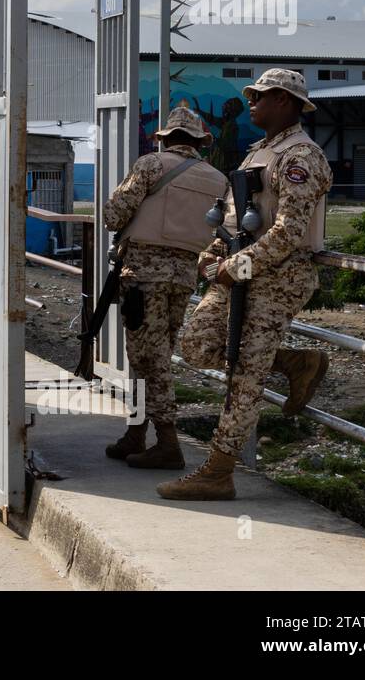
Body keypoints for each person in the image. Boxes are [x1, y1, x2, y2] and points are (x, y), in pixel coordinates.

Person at [158, 69, 332, 501]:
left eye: (262, 96)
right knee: (198, 344)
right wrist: (214, 253)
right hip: (238, 270)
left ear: (287, 103)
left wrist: (238, 264)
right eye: (252, 94)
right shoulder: (260, 152)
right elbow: (237, 215)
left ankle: (218, 471)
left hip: (277, 276)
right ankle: (293, 362)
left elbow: (291, 230)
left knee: (246, 372)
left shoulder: (300, 157)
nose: (251, 101)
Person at [100, 105, 228, 469]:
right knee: (150, 355)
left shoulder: (150, 165)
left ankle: (168, 442)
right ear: (199, 142)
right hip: (184, 276)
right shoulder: (218, 180)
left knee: (150, 359)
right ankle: (136, 434)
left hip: (143, 276)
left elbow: (113, 215)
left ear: (166, 138)